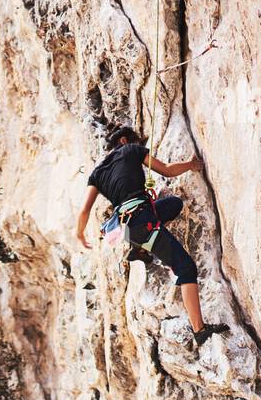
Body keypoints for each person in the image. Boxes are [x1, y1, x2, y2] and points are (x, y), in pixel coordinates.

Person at [77, 125, 229, 348]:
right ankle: (200, 330)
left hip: (126, 226)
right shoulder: (130, 150)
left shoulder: (97, 173)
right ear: (124, 141)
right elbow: (166, 170)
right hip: (142, 221)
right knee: (186, 268)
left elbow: (84, 211)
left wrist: (79, 233)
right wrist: (191, 164)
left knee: (173, 204)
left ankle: (139, 248)